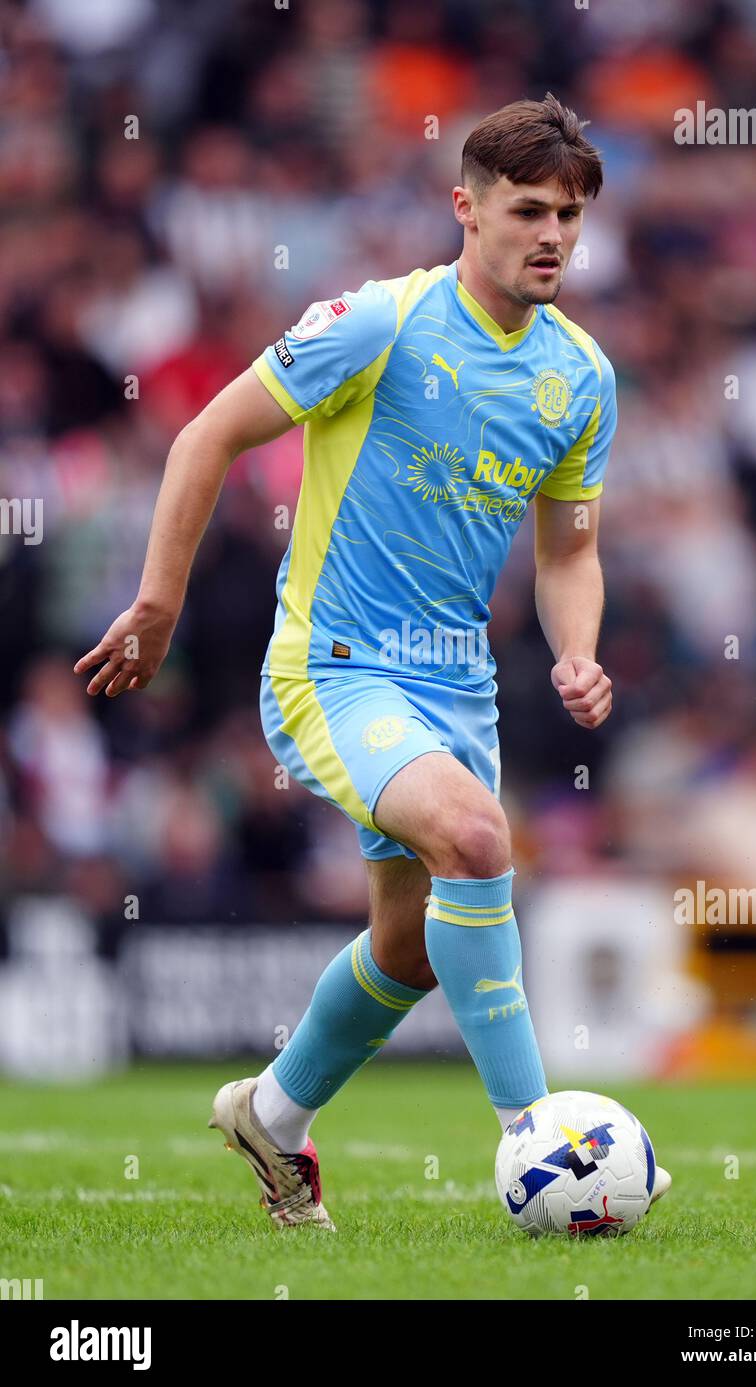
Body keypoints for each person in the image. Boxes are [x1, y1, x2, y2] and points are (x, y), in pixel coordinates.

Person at [74, 93, 671, 1229]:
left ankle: (274, 1114)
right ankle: (538, 1139)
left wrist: (579, 648)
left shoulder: (579, 377)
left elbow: (568, 551)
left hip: (459, 688)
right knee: (480, 838)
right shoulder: (376, 323)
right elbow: (207, 434)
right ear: (465, 208)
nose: (552, 235)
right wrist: (157, 600)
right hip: (334, 666)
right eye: (528, 211)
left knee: (408, 945)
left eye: (571, 216)